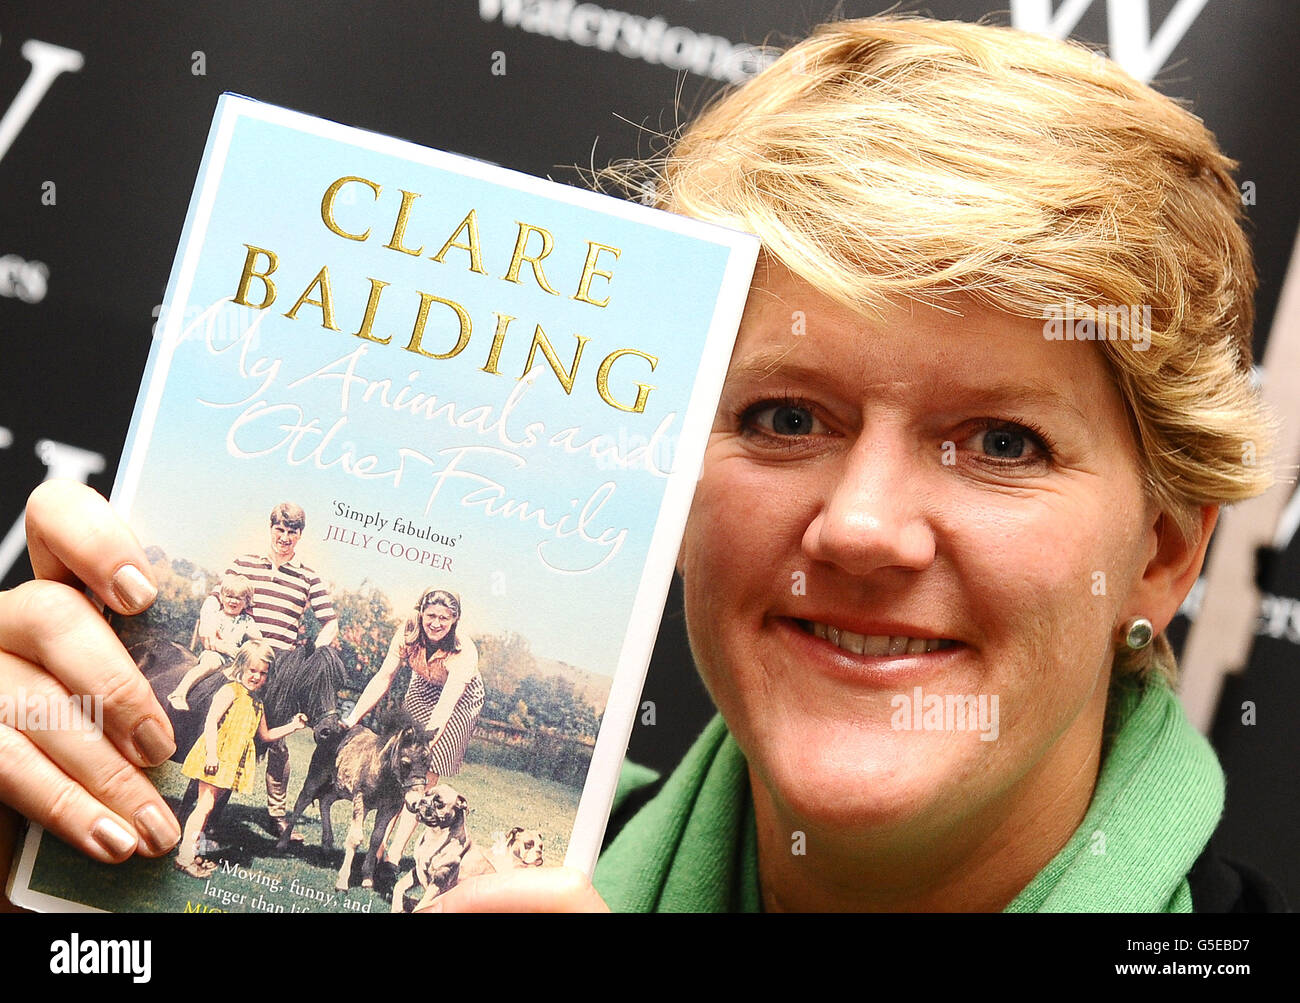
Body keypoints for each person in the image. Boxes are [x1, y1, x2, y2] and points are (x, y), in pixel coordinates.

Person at [0, 15, 1286, 912]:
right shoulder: (492, 882)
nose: (861, 527)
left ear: (1165, 549)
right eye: (787, 418)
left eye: (1001, 442)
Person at [215, 502, 341, 839]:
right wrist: (206, 626)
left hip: (281, 670)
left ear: (300, 534)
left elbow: (330, 621)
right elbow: (216, 598)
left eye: (292, 531)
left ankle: (276, 814)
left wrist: (319, 648)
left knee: (278, 744)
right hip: (241, 661)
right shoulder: (244, 563)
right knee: (229, 731)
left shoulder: (308, 576)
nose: (284, 537)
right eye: (280, 529)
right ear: (271, 528)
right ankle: (209, 804)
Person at [341, 588, 484, 862]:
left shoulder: (464, 651)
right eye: (430, 615)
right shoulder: (407, 633)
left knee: (424, 771)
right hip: (422, 684)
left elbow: (445, 707)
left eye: (445, 618)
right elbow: (384, 677)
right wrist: (352, 717)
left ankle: (392, 857)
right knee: (399, 763)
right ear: (420, 613)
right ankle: (377, 848)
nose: (436, 623)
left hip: (460, 700)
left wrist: (424, 747)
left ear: (455, 620)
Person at [174, 640, 309, 877]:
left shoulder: (257, 703)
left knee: (209, 807)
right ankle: (184, 857)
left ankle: (195, 852)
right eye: (252, 671)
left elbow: (265, 735)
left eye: (263, 673)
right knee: (204, 806)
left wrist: (293, 726)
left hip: (232, 762)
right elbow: (210, 722)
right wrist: (212, 754)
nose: (257, 677)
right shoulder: (230, 691)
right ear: (241, 667)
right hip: (216, 757)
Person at [166, 572, 261, 711]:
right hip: (215, 653)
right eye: (229, 596)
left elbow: (258, 637)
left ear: (246, 602)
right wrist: (227, 649)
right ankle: (179, 693)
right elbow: (212, 641)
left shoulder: (247, 621)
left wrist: (257, 644)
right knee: (210, 664)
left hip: (233, 660)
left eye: (239, 598)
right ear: (222, 598)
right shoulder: (216, 617)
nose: (233, 601)